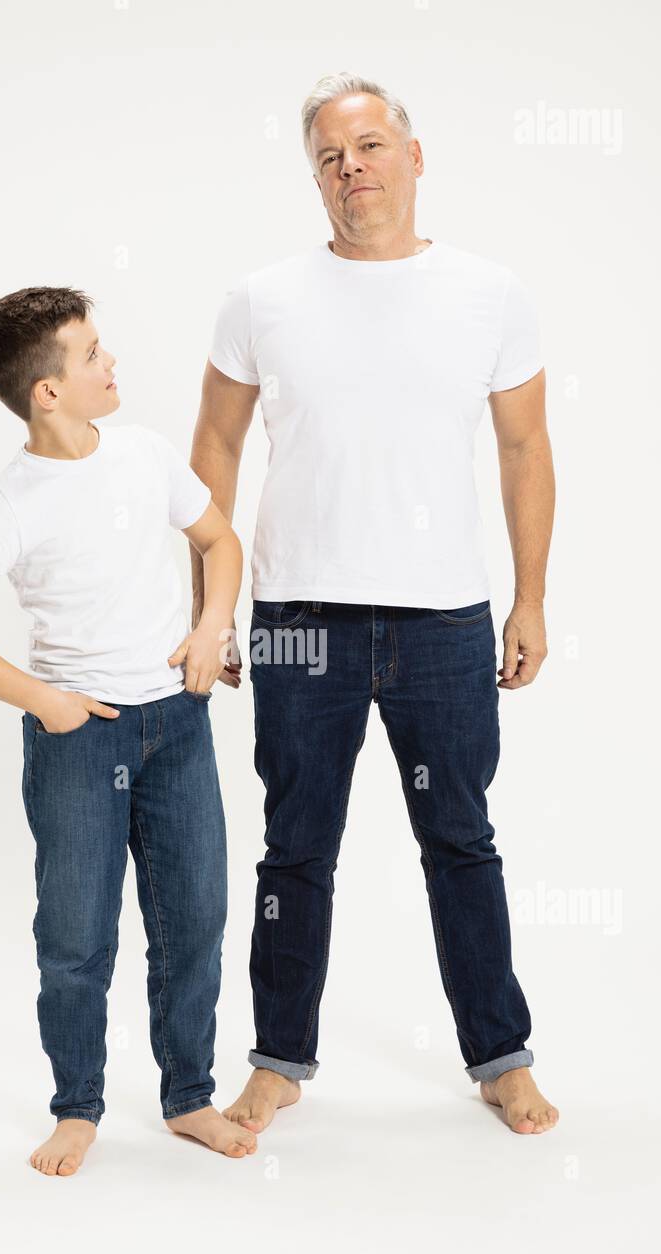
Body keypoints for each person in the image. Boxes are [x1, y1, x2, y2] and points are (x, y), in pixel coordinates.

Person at [189, 72, 560, 1137]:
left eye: (367, 146)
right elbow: (212, 449)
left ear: (413, 155)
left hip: (442, 620)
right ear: (315, 177)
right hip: (300, 619)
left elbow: (526, 447)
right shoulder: (261, 297)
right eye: (329, 156)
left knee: (461, 839)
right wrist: (211, 610)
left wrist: (529, 598)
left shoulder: (489, 292)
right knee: (293, 846)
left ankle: (500, 1055)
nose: (351, 168)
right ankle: (277, 1059)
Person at [0, 286, 253, 1173]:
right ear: (48, 392)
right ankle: (77, 1107)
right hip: (78, 740)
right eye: (94, 353)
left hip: (177, 723)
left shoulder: (144, 456)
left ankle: (189, 1096)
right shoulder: (8, 505)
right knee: (75, 935)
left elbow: (221, 544)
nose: (113, 364)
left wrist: (211, 628)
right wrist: (43, 699)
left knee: (196, 915)